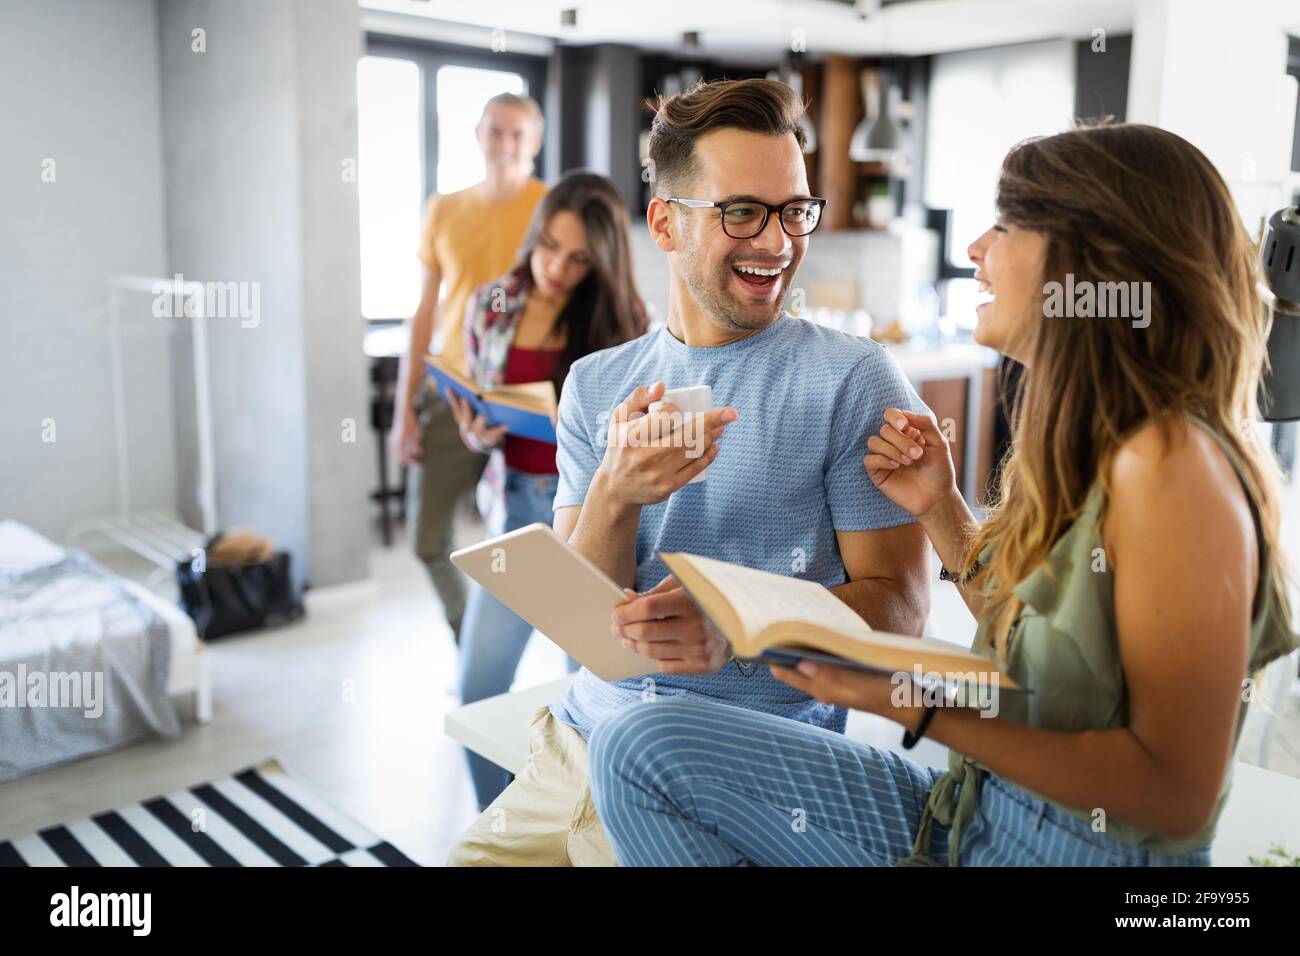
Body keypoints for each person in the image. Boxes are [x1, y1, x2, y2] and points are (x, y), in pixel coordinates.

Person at [587, 123, 1298, 867]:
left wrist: (907, 698)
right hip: (975, 816)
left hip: (1058, 853)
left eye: (1007, 224)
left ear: (1092, 260)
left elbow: (1174, 796)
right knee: (642, 745)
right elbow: (1042, 650)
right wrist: (941, 508)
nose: (976, 250)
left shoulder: (1174, 468)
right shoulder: (1096, 444)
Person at [447, 77, 932, 866]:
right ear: (664, 224)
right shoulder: (596, 384)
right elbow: (592, 622)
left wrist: (743, 627)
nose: (778, 243)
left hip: (749, 773)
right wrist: (615, 494)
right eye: (741, 210)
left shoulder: (853, 380)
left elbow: (903, 613)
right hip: (582, 742)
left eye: (794, 210)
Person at [445, 170, 648, 810]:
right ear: (535, 234)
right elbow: (484, 408)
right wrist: (477, 431)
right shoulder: (491, 305)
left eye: (579, 258)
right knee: (477, 689)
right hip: (515, 511)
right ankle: (500, 830)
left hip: (592, 520)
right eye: (549, 246)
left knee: (586, 704)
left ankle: (575, 834)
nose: (558, 267)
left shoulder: (620, 323)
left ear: (602, 261)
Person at [390, 92, 546, 644]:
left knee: (534, 554)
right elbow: (425, 311)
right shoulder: (445, 209)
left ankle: (511, 663)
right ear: (478, 134)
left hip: (527, 397)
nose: (505, 143)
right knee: (428, 539)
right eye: (496, 131)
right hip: (451, 390)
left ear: (535, 143)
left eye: (517, 134)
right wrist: (403, 412)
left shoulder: (550, 209)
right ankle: (472, 647)